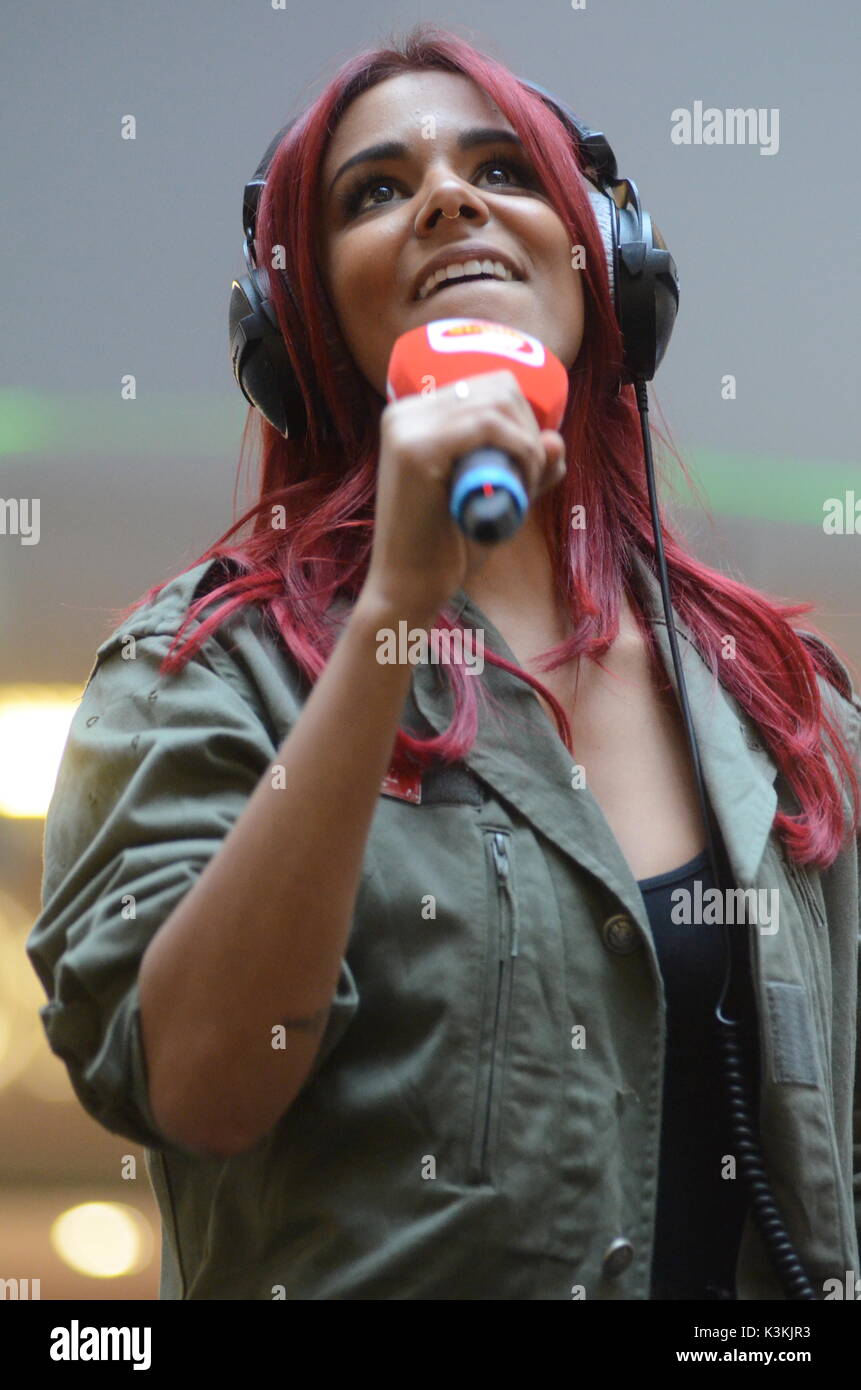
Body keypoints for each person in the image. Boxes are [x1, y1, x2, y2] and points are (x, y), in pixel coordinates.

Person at [27, 24, 861, 1301]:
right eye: (376, 190)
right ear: (297, 321)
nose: (449, 199)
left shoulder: (779, 702)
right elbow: (197, 1082)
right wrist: (397, 610)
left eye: (503, 171)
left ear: (612, 268)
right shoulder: (198, 671)